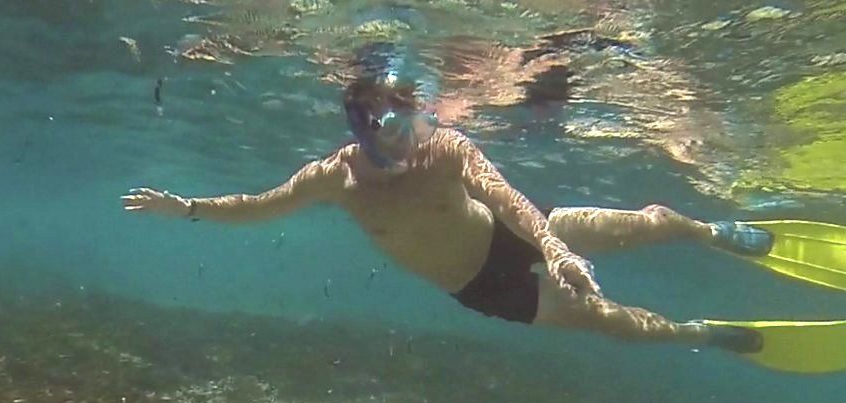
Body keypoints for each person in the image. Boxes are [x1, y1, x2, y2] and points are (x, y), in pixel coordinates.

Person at [121, 45, 774, 355]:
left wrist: (552, 246)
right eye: (378, 123)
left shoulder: (447, 147)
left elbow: (504, 196)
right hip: (480, 286)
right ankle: (696, 333)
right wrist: (187, 208)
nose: (396, 136)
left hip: (513, 234)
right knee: (606, 321)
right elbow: (259, 205)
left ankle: (707, 232)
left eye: (403, 119)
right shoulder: (334, 178)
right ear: (356, 125)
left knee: (630, 223)